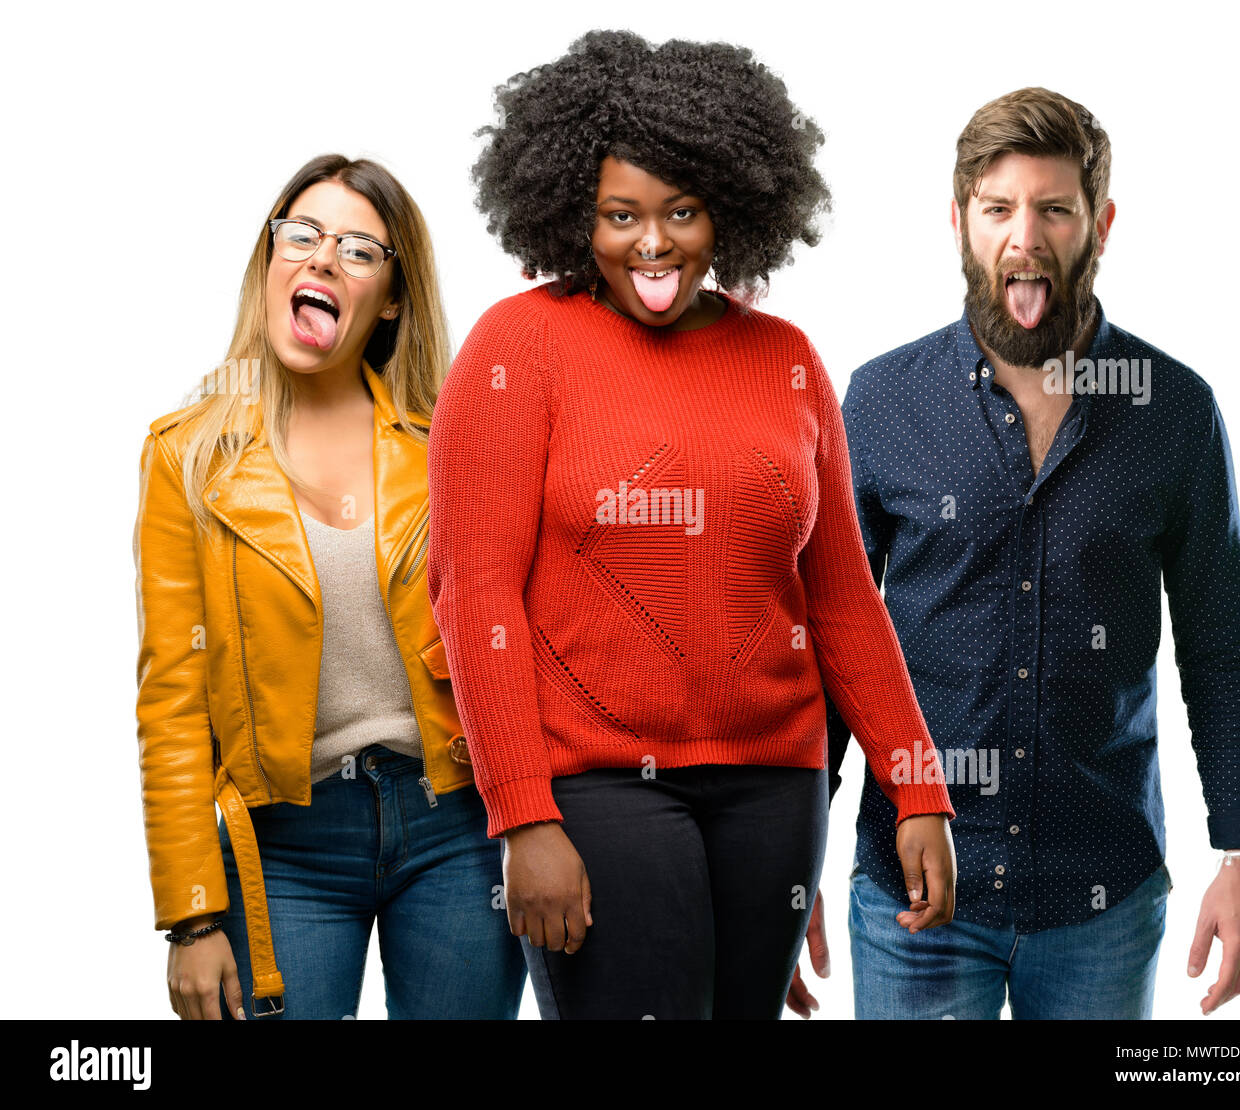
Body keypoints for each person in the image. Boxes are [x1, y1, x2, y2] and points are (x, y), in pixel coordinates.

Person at [426, 30, 956, 1021]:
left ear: (734, 212)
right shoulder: (518, 348)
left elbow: (841, 598)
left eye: (681, 212)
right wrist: (520, 813)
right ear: (571, 215)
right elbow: (475, 596)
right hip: (596, 786)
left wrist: (916, 783)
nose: (653, 244)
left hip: (775, 788)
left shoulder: (785, 357)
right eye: (619, 216)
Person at [813, 87, 1240, 1019]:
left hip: (1101, 903)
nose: (1023, 237)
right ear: (959, 221)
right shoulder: (880, 403)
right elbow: (829, 639)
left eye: (1054, 208)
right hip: (916, 898)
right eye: (997, 209)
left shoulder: (1174, 410)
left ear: (1099, 223)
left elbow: (1225, 643)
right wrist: (785, 869)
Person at [133, 154, 526, 1019]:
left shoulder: (449, 444)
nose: (320, 259)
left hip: (455, 829)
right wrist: (191, 916)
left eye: (357, 249)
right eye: (302, 234)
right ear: (269, 262)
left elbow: (518, 641)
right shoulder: (186, 456)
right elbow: (170, 698)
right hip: (282, 848)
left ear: (390, 296)